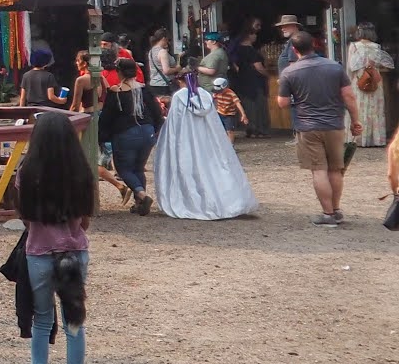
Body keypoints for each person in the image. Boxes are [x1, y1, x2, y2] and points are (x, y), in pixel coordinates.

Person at [12, 110, 96, 364]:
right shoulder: (81, 172)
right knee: (74, 320)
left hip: (39, 251)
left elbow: (25, 217)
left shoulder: (27, 173)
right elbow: (84, 221)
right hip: (74, 251)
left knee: (42, 318)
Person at [277, 29, 363, 225]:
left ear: (294, 50)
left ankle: (327, 214)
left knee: (318, 170)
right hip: (334, 124)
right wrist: (355, 121)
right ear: (314, 45)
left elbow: (282, 103)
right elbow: (349, 96)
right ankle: (336, 209)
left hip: (307, 126)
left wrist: (296, 97)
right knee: (335, 169)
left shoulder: (289, 72)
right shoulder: (334, 67)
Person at [154, 73, 260, 219]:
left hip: (186, 138)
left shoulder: (179, 96)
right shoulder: (205, 95)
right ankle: (225, 199)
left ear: (180, 81)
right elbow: (213, 120)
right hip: (206, 138)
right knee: (212, 167)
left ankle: (193, 200)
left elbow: (175, 120)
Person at [99, 57, 160, 215]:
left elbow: (106, 117)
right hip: (147, 131)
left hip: (125, 133)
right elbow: (156, 111)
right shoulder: (144, 89)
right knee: (138, 167)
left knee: (124, 168)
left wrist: (102, 137)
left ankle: (142, 195)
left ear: (119, 72)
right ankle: (139, 204)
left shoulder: (116, 92)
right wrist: (156, 128)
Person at [345, 22, 393, 150]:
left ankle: (359, 138)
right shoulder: (376, 47)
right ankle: (376, 138)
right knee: (375, 109)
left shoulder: (354, 46)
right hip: (374, 81)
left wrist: (348, 82)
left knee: (358, 108)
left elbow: (350, 67)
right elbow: (380, 64)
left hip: (359, 80)